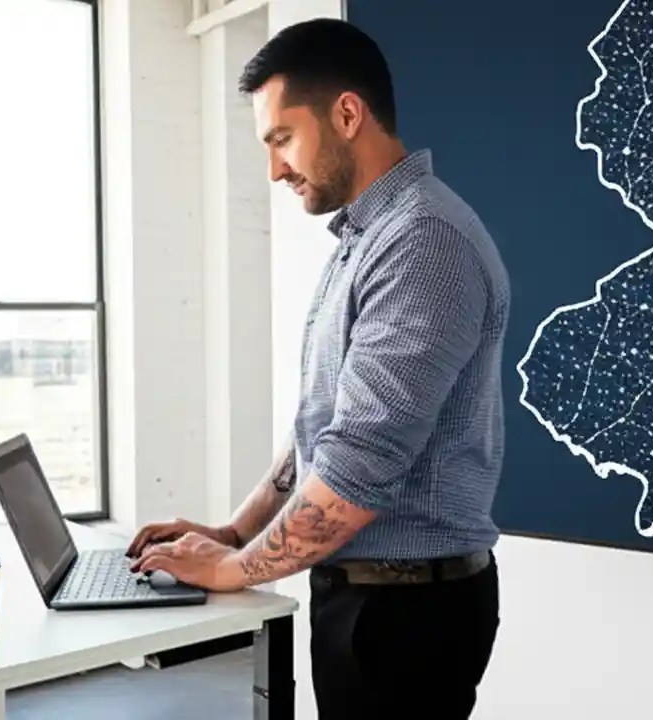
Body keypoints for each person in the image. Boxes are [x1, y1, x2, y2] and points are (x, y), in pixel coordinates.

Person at [127, 17, 509, 719]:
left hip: (407, 618)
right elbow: (323, 427)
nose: (274, 169)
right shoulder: (368, 239)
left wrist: (232, 568)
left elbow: (361, 461)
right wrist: (234, 533)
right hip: (370, 600)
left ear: (347, 114)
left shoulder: (423, 243)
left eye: (281, 138)